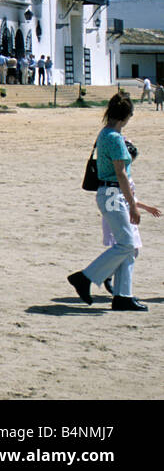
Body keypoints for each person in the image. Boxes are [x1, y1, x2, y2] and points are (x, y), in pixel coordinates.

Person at [68, 92, 160, 310]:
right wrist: (133, 206)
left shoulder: (105, 133)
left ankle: (123, 296)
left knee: (128, 246)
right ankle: (85, 277)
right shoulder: (115, 138)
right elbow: (121, 175)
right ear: (126, 116)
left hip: (109, 193)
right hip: (113, 194)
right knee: (127, 244)